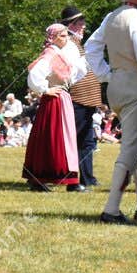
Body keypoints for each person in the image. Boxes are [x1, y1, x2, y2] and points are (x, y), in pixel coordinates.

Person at [86, 0, 137, 225]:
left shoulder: (111, 16)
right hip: (135, 84)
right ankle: (111, 209)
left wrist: (106, 73)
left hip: (116, 84)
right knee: (132, 147)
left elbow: (91, 47)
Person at [23, 23, 87, 190]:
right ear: (53, 37)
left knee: (53, 137)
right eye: (63, 36)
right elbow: (34, 75)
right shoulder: (50, 54)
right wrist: (45, 89)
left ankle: (43, 177)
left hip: (60, 97)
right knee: (55, 137)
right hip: (55, 99)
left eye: (66, 35)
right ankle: (52, 177)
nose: (66, 39)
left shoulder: (59, 53)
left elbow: (74, 74)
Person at [62, 7, 103, 191]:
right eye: (80, 23)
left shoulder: (77, 43)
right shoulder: (68, 43)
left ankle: (87, 177)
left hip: (87, 99)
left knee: (87, 141)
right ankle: (70, 179)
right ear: (71, 25)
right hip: (76, 97)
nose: (84, 26)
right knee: (73, 140)